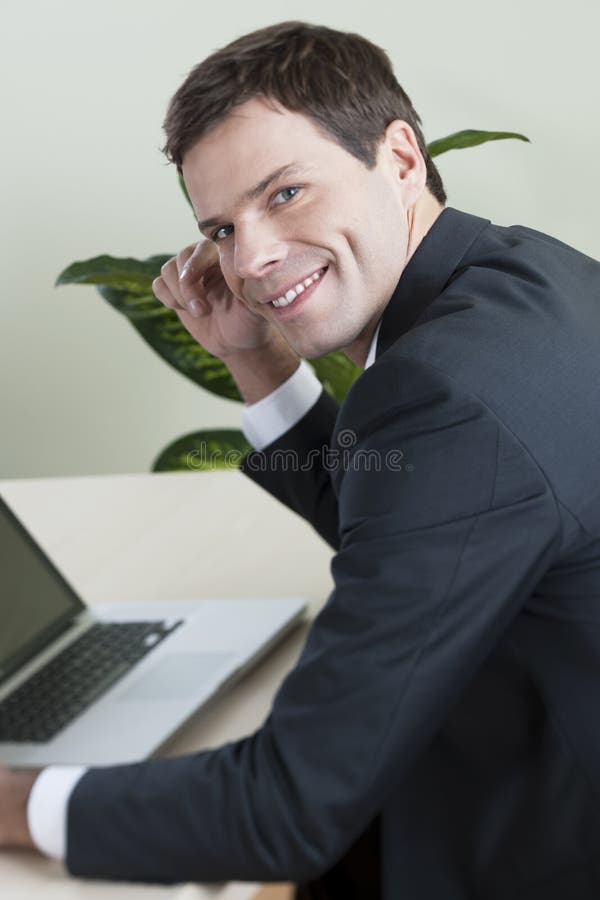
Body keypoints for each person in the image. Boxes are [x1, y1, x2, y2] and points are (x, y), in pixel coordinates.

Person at [2, 19, 600, 899]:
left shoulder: (445, 392)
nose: (250, 259)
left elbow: (286, 809)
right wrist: (254, 355)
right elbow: (415, 523)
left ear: (400, 158)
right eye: (221, 227)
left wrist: (17, 805)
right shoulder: (522, 275)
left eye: (283, 194)